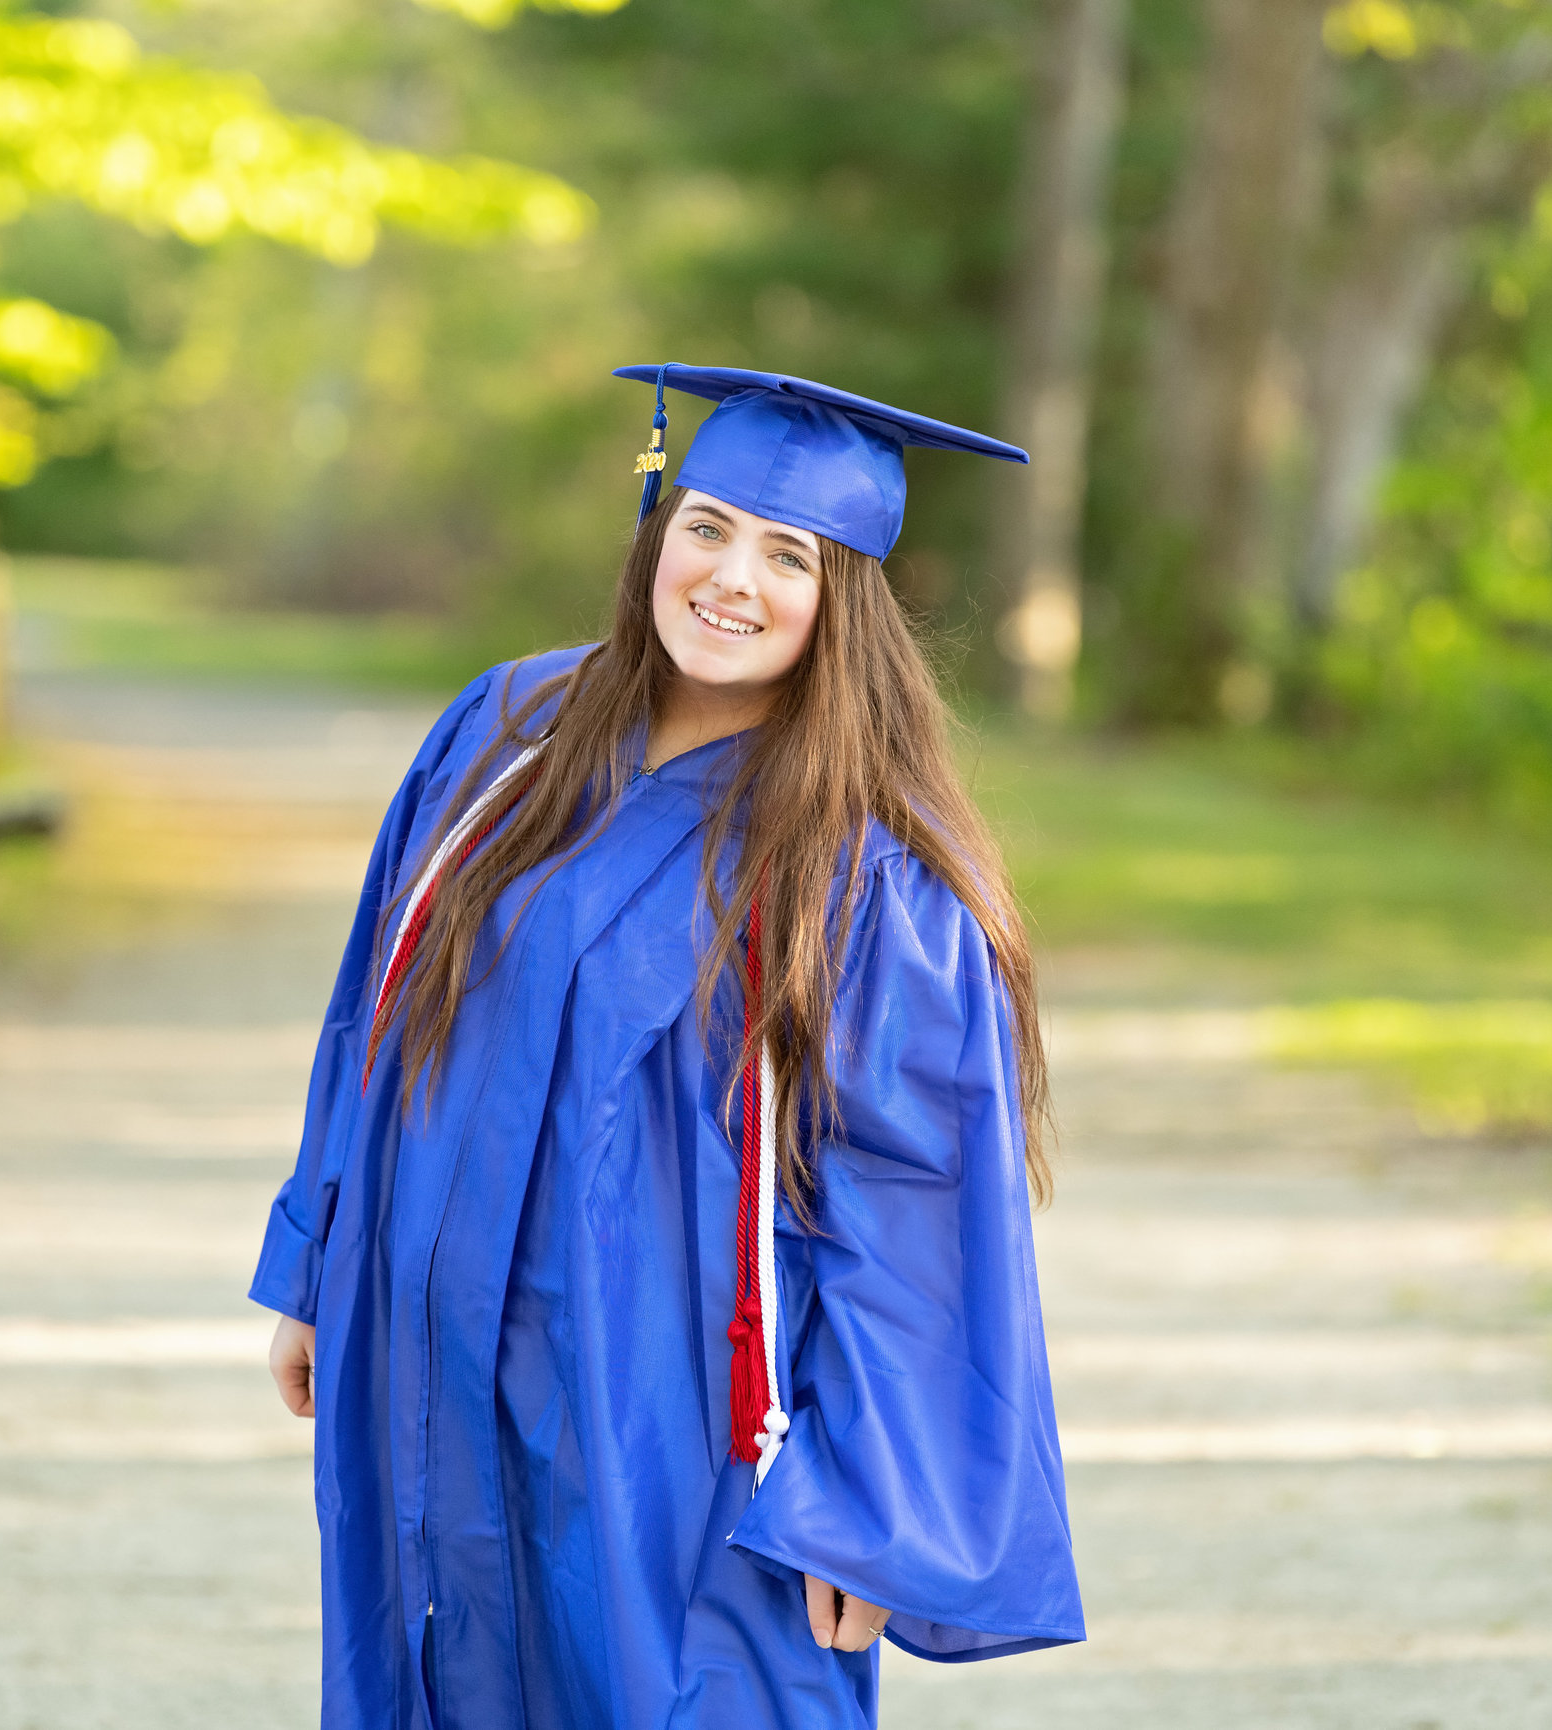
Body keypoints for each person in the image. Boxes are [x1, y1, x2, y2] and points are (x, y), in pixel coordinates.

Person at [252, 366, 1083, 1729]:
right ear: (657, 526)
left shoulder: (866, 875)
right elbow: (380, 1013)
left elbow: (916, 1205)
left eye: (787, 553)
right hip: (438, 1356)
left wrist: (870, 1506)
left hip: (680, 1413)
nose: (731, 579)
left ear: (847, 599)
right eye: (706, 526)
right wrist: (314, 1254)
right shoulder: (508, 734)